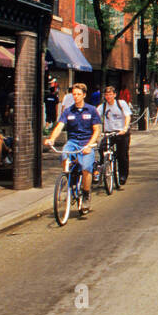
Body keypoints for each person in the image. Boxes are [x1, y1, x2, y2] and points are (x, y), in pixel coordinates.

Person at [44, 82, 102, 215]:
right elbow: (59, 126)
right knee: (64, 154)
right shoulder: (68, 111)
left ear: (84, 95)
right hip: (73, 142)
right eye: (74, 94)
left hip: (87, 142)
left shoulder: (91, 110)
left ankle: (86, 195)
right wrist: (52, 138)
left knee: (87, 168)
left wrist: (89, 145)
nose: (76, 97)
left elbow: (97, 130)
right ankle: (69, 180)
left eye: (78, 94)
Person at [97, 84, 133, 185]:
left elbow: (127, 116)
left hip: (121, 133)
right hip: (109, 133)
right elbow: (95, 117)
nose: (108, 96)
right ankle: (102, 168)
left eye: (110, 94)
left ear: (114, 95)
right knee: (101, 148)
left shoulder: (121, 104)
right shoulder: (102, 107)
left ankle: (122, 175)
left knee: (122, 155)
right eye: (106, 94)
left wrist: (125, 128)